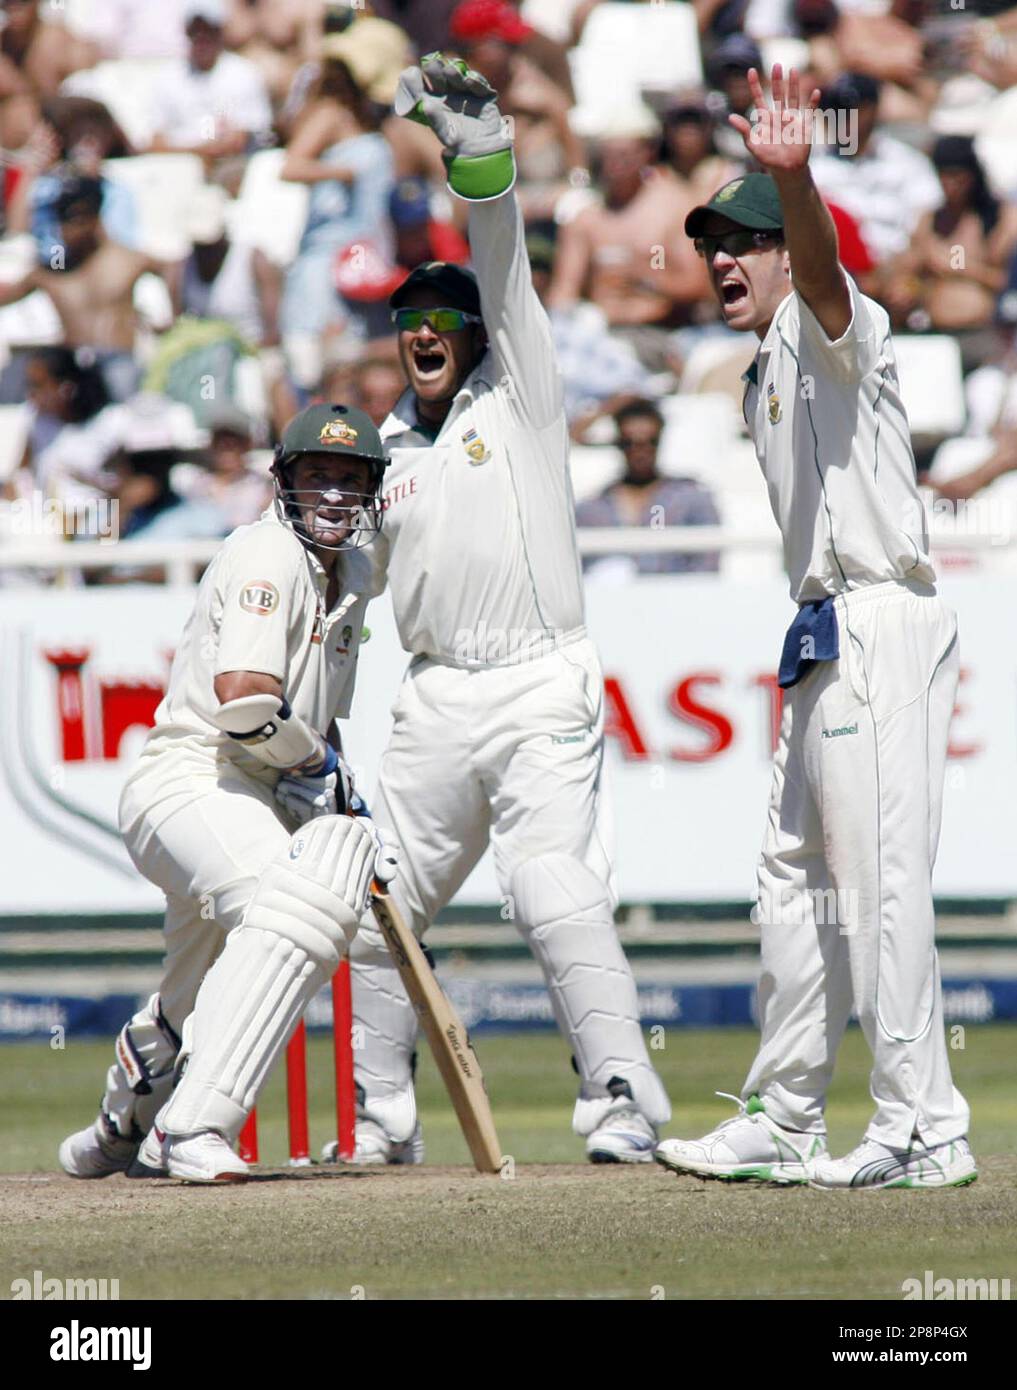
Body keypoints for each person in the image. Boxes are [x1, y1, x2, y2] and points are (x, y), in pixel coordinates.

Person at [338, 54, 671, 1166]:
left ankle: (623, 1097)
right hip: (432, 698)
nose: (422, 330)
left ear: (474, 332)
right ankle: (382, 1116)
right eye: (406, 320)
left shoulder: (520, 388)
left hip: (537, 678)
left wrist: (479, 163)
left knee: (548, 885)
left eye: (440, 316)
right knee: (375, 904)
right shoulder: (384, 450)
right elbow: (354, 591)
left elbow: (504, 261)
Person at [655, 66, 975, 1191]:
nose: (724, 261)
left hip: (880, 616)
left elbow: (829, 272)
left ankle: (924, 1126)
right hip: (821, 631)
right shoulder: (759, 368)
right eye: (712, 246)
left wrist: (797, 180)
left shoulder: (836, 319)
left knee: (882, 885)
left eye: (747, 240)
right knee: (791, 881)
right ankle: (788, 1112)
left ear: (790, 248)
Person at [58, 402, 394, 1183]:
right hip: (192, 779)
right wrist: (316, 768)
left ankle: (121, 1121)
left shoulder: (355, 574)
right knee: (295, 907)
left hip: (254, 796)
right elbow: (245, 704)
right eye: (318, 478)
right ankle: (192, 1126)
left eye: (351, 480)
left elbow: (317, 720)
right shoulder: (266, 554)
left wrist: (341, 791)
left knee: (204, 982)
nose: (335, 496)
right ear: (283, 484)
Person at [0, 172, 172, 401]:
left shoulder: (128, 260)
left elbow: (177, 268)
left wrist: (174, 314)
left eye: (71, 218)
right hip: (73, 371)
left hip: (117, 363)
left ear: (92, 217)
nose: (64, 229)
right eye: (59, 218)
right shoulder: (51, 271)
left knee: (121, 380)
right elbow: (7, 295)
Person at [575, 399, 721, 576]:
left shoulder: (691, 500)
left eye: (649, 442)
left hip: (678, 596)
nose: (640, 451)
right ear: (619, 443)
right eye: (630, 443)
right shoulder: (593, 509)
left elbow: (708, 564)